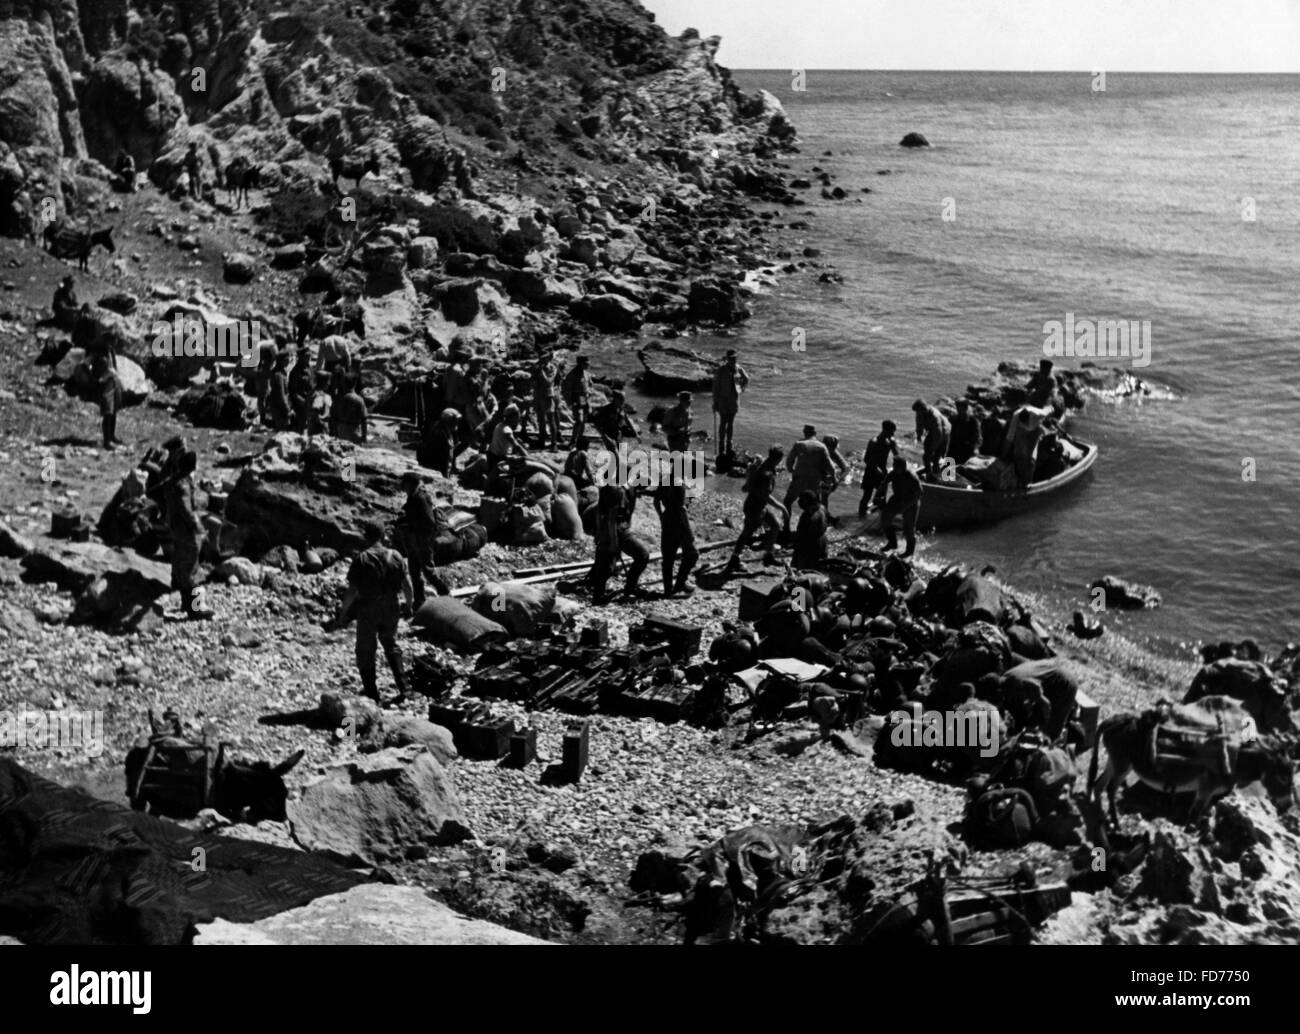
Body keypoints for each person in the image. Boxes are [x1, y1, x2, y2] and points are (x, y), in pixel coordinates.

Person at [336, 520, 412, 703]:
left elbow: (352, 591)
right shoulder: (396, 556)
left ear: (365, 536)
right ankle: (404, 688)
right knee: (390, 643)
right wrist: (408, 605)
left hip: (368, 609)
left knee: (365, 650)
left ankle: (372, 693)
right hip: (392, 606)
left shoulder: (361, 559)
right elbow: (407, 585)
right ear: (383, 535)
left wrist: (343, 614)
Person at [161, 450, 211, 620]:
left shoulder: (172, 481)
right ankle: (196, 609)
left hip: (175, 530)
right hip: (187, 532)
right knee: (192, 569)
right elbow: (186, 509)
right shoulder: (183, 485)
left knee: (182, 569)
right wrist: (198, 526)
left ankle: (186, 603)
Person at [724, 445, 787, 573]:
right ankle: (734, 560)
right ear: (779, 459)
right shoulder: (766, 473)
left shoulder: (765, 466)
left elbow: (750, 488)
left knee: (775, 525)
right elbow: (765, 496)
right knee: (747, 533)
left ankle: (768, 555)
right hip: (754, 507)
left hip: (759, 506)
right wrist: (782, 507)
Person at [587, 484, 650, 602]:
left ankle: (598, 594)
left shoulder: (609, 488)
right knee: (643, 555)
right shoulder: (619, 492)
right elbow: (612, 518)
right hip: (618, 532)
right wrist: (614, 543)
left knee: (605, 564)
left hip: (609, 531)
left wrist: (599, 532)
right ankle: (630, 588)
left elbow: (600, 511)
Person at [397, 472, 447, 608]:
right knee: (414, 571)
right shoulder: (413, 497)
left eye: (405, 483)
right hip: (414, 540)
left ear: (410, 484)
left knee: (428, 571)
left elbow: (429, 522)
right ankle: (419, 601)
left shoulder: (421, 498)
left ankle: (446, 594)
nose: (403, 486)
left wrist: (412, 527)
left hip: (422, 540)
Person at [782, 425, 833, 535]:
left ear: (804, 433)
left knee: (787, 502)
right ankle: (815, 529)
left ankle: (786, 528)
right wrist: (833, 479)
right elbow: (830, 466)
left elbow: (789, 460)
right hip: (814, 481)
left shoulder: (799, 444)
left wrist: (792, 470)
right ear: (815, 434)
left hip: (799, 479)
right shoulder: (822, 446)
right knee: (814, 505)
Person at [654, 474, 698, 597]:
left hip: (668, 518)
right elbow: (684, 506)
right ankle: (679, 585)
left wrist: (661, 516)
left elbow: (656, 500)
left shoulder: (666, 480)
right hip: (679, 520)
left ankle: (669, 590)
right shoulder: (681, 482)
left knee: (668, 557)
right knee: (692, 554)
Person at [880, 455, 923, 558]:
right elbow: (884, 484)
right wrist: (881, 498)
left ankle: (909, 552)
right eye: (893, 466)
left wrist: (905, 506)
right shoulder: (893, 474)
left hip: (911, 502)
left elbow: (919, 493)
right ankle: (892, 543)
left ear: (903, 467)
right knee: (885, 519)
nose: (894, 468)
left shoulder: (911, 476)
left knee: (909, 528)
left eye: (896, 466)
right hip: (897, 498)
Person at [711, 348, 749, 459]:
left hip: (734, 399)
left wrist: (742, 389)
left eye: (734, 358)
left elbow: (746, 379)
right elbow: (715, 387)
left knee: (731, 422)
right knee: (723, 422)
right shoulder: (721, 370)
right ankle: (721, 444)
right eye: (731, 358)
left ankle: (729, 443)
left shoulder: (738, 368)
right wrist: (715, 401)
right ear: (727, 359)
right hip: (723, 400)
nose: (733, 360)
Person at [858, 420, 899, 517]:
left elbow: (897, 456)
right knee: (866, 496)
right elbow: (867, 459)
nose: (893, 434)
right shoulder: (874, 442)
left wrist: (898, 468)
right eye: (891, 432)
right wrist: (876, 469)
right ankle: (860, 516)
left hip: (882, 472)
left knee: (882, 497)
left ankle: (881, 517)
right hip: (870, 472)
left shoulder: (891, 442)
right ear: (884, 430)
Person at [1002, 405, 1049, 487]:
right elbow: (1009, 438)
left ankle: (1028, 483)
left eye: (1026, 422)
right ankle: (1020, 479)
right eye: (1023, 422)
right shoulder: (1016, 417)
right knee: (1018, 455)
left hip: (1035, 430)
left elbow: (1049, 410)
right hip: (1021, 431)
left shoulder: (1038, 414)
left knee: (1030, 458)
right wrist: (1003, 454)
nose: (1026, 424)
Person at [912, 400, 951, 479]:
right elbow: (919, 425)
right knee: (926, 456)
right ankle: (929, 473)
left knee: (935, 457)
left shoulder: (934, 416)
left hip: (944, 431)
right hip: (932, 431)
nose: (918, 414)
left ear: (923, 409)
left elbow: (938, 435)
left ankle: (937, 475)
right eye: (917, 412)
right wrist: (919, 435)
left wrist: (933, 448)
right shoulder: (919, 413)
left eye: (919, 411)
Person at [94, 352, 123, 450]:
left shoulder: (110, 350)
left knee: (113, 410)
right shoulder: (99, 351)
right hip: (105, 383)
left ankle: (112, 436)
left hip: (113, 381)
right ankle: (107, 441)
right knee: (108, 411)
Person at [793, 489, 828, 569]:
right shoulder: (822, 508)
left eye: (801, 500)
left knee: (802, 568)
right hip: (823, 541)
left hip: (810, 545)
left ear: (806, 502)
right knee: (819, 566)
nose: (799, 502)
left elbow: (801, 535)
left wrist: (795, 546)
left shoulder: (808, 516)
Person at [563, 355, 592, 450]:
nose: (588, 364)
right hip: (576, 401)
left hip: (585, 400)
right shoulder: (572, 375)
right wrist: (570, 403)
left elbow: (590, 385)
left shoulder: (587, 374)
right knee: (578, 421)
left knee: (583, 421)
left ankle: (580, 440)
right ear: (580, 363)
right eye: (586, 363)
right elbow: (566, 390)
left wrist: (589, 398)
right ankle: (573, 441)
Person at [420, 407, 461, 476]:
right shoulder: (439, 433)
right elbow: (440, 455)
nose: (457, 423)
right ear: (449, 421)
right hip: (435, 470)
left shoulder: (447, 431)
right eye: (455, 420)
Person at [531, 352, 559, 449]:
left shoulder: (552, 368)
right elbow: (533, 380)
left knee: (551, 419)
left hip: (548, 396)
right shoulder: (537, 367)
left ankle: (554, 443)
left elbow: (548, 381)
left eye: (544, 357)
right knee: (541, 420)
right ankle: (541, 440)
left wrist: (541, 371)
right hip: (538, 395)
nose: (542, 359)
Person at [821, 433, 850, 524]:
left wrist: (837, 481)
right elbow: (846, 468)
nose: (834, 448)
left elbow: (846, 468)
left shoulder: (833, 453)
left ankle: (824, 517)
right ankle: (825, 516)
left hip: (826, 479)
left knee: (823, 499)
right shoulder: (828, 452)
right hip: (822, 477)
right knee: (821, 499)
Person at [288, 346, 316, 434]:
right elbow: (293, 392)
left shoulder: (309, 368)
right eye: (306, 356)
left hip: (310, 401)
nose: (309, 358)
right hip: (301, 403)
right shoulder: (295, 372)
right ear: (300, 357)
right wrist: (303, 402)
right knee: (301, 426)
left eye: (309, 356)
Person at [334, 375, 369, 443]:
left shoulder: (339, 398)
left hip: (340, 430)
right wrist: (364, 436)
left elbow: (333, 417)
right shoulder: (359, 400)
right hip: (353, 430)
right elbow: (364, 419)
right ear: (355, 384)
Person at [948, 399, 983, 466]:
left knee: (962, 472)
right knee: (947, 474)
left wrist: (974, 448)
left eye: (960, 408)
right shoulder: (952, 419)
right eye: (957, 407)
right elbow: (947, 434)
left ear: (966, 408)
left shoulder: (973, 421)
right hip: (952, 450)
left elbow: (977, 437)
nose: (958, 410)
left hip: (966, 452)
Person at [265, 351, 293, 430]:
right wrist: (287, 408)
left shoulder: (281, 372)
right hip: (279, 404)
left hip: (280, 403)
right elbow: (281, 393)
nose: (288, 361)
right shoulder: (278, 374)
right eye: (287, 360)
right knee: (282, 428)